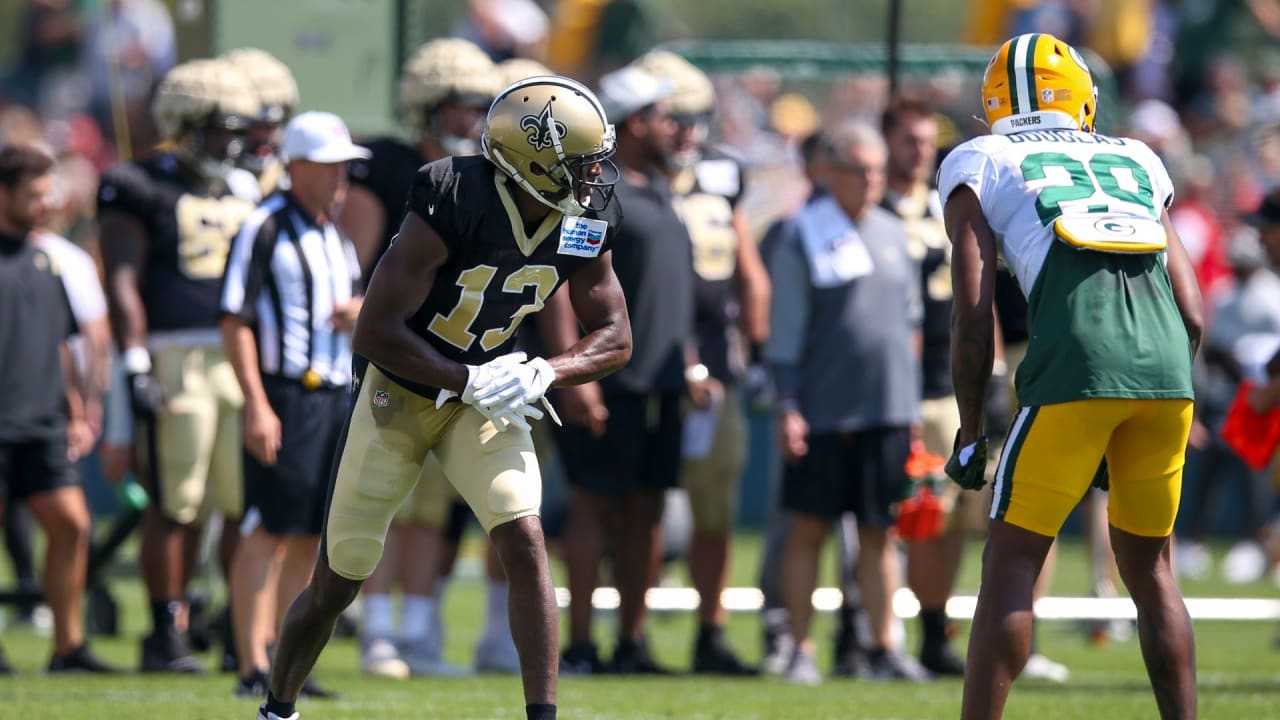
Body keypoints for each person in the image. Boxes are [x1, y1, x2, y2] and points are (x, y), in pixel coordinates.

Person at [258, 74, 631, 720]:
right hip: (401, 393)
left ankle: (542, 715)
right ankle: (277, 707)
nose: (596, 177)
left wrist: (547, 372)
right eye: (581, 163)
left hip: (487, 397)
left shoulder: (586, 217)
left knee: (525, 535)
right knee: (339, 577)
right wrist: (465, 379)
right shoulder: (455, 194)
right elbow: (377, 330)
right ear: (534, 162)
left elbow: (616, 334)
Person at [939, 33, 1201, 719]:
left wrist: (972, 430)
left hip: (1076, 364)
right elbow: (1193, 311)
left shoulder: (982, 157)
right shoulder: (1136, 155)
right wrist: (1156, 388)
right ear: (1085, 99)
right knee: (1152, 571)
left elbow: (972, 311)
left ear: (993, 104)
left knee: (1013, 565)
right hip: (1167, 367)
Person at [339, 38, 512, 678]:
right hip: (396, 353)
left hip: (461, 357)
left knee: (432, 510)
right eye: (460, 104)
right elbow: (357, 264)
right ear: (427, 105)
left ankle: (418, 633)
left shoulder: (491, 173)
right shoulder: (388, 165)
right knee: (388, 500)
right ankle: (377, 632)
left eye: (478, 105)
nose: (471, 117)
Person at [99, 58, 261, 673]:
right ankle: (166, 630)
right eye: (217, 130)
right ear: (185, 126)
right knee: (176, 502)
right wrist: (135, 365)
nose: (230, 143)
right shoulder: (138, 183)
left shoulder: (246, 187)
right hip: (177, 355)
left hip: (239, 356)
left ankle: (238, 626)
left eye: (235, 130)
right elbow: (122, 282)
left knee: (242, 503)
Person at [549, 65, 701, 675]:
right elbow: (560, 286)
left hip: (661, 382)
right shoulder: (598, 196)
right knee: (592, 507)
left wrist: (689, 365)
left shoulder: (661, 189)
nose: (678, 130)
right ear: (637, 123)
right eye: (667, 117)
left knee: (647, 509)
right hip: (605, 380)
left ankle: (631, 643)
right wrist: (570, 374)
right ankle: (581, 645)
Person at [765, 121, 929, 685]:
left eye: (878, 169)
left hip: (885, 410)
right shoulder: (801, 233)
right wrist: (788, 404)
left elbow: (910, 323)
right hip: (821, 412)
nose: (872, 180)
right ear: (828, 173)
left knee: (881, 533)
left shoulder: (892, 230)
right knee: (808, 529)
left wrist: (908, 410)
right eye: (859, 170)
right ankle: (801, 650)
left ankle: (884, 648)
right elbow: (783, 329)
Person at [219, 112, 366, 697]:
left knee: (310, 534)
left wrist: (359, 312)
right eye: (331, 166)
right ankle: (250, 662)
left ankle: (287, 662)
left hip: (333, 394)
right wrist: (257, 402)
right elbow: (236, 319)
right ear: (298, 167)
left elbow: (352, 305)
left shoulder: (336, 235)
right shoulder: (264, 226)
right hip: (285, 392)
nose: (342, 178)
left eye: (345, 167)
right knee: (266, 528)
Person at [632, 48, 769, 675]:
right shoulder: (627, 178)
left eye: (696, 118)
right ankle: (632, 634)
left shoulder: (721, 174)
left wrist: (758, 352)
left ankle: (710, 633)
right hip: (648, 367)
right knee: (641, 507)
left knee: (714, 511)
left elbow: (749, 274)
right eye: (675, 118)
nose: (687, 132)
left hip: (716, 369)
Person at [0, 142, 115, 674]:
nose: (45, 204)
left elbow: (58, 345)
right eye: (33, 195)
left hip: (42, 422)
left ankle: (67, 647)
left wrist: (73, 409)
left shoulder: (48, 260)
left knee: (71, 523)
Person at [878, 97, 967, 676]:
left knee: (947, 516)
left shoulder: (947, 205)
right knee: (883, 517)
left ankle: (935, 632)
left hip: (946, 381)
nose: (922, 151)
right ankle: (873, 634)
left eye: (928, 140)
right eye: (910, 140)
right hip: (887, 383)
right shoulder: (870, 207)